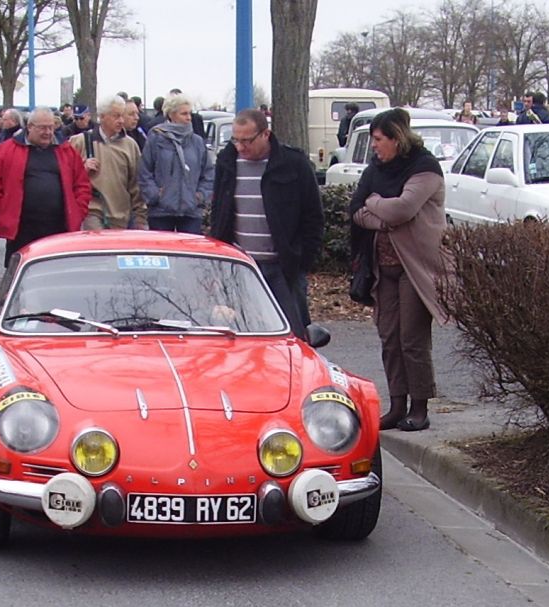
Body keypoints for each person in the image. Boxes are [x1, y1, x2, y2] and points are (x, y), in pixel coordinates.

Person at [349, 108, 450, 432]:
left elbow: (404, 208)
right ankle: (397, 404)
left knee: (412, 339)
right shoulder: (375, 170)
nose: (374, 147)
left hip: (416, 265)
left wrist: (375, 204)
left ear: (396, 137)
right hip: (383, 266)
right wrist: (383, 215)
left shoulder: (424, 168)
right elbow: (356, 210)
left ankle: (419, 406)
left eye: (378, 140)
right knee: (389, 336)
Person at [208, 108, 323, 339]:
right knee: (241, 334)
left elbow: (313, 216)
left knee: (293, 334)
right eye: (235, 140)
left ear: (265, 134)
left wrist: (302, 260)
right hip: (239, 266)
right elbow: (219, 211)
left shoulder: (294, 164)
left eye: (247, 141)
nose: (241, 147)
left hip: (283, 267)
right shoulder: (227, 161)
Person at [0, 107, 90, 265]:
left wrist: (78, 211)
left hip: (59, 227)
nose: (47, 132)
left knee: (57, 271)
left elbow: (82, 184)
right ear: (30, 127)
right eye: (42, 128)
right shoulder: (6, 150)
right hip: (21, 229)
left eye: (51, 127)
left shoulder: (66, 151)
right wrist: (0, 209)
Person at [69, 94, 148, 230]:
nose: (121, 121)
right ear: (102, 116)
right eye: (116, 116)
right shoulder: (79, 142)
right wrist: (82, 169)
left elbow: (136, 184)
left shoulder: (130, 145)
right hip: (91, 213)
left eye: (122, 116)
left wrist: (141, 217)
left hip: (121, 217)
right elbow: (65, 176)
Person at [139, 93, 213, 233]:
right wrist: (155, 194)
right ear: (171, 115)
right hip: (161, 211)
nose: (189, 118)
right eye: (184, 114)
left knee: (189, 252)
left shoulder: (197, 142)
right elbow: (145, 171)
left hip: (190, 211)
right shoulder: (155, 138)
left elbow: (208, 173)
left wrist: (200, 196)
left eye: (190, 113)